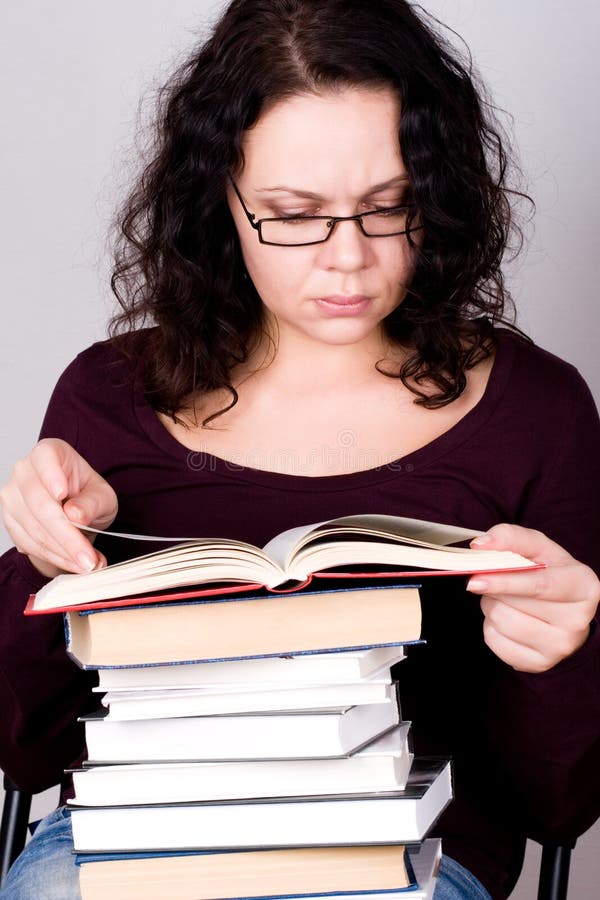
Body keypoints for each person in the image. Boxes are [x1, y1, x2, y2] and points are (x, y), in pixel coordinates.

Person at [1, 1, 599, 897]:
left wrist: (559, 657)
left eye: (389, 207)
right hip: (137, 832)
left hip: (407, 850)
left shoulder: (537, 410)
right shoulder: (109, 395)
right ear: (221, 200)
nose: (348, 258)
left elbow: (558, 806)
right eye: (293, 214)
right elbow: (26, 751)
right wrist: (45, 567)